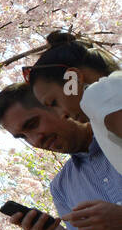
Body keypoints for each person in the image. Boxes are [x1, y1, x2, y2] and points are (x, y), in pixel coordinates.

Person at [0, 81, 122, 230]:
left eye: (33, 124)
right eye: (23, 137)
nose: (35, 141)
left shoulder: (117, 131)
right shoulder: (62, 187)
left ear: (54, 103)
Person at [27, 31, 122, 177]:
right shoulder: (112, 89)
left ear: (73, 78)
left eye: (54, 102)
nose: (62, 114)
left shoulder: (97, 94)